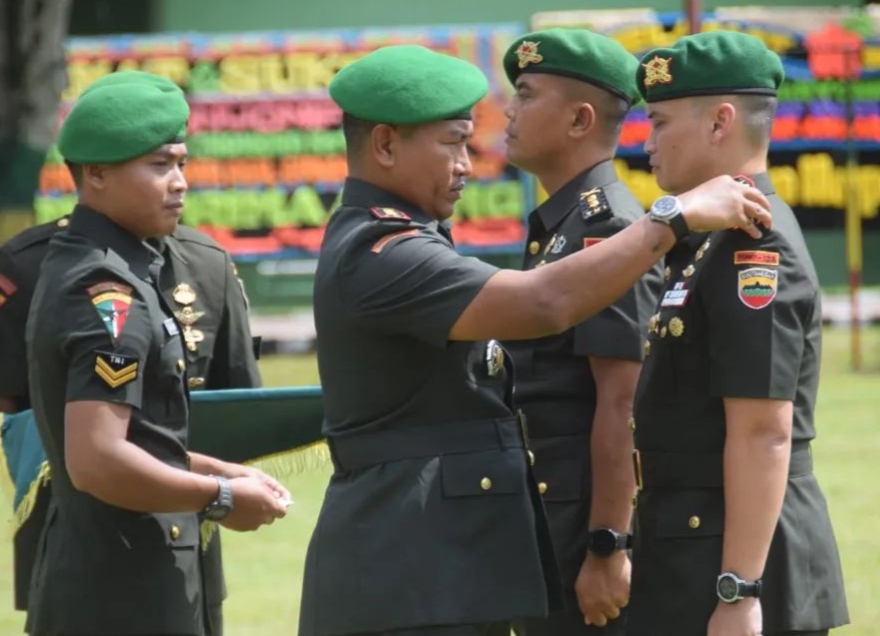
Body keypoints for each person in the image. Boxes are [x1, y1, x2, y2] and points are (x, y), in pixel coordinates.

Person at [299, 44, 772, 636]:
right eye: (452, 144)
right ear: (387, 145)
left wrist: (608, 540)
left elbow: (617, 399)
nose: (468, 164)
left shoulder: (412, 240)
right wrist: (674, 217)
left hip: (439, 569)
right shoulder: (382, 253)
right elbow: (544, 303)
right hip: (409, 575)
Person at [23, 72, 289, 636]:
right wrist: (219, 496)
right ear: (95, 174)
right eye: (158, 165)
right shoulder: (105, 289)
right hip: (121, 592)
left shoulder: (109, 267)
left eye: (182, 164)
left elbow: (139, 442)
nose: (179, 183)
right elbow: (98, 460)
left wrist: (219, 470)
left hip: (127, 577)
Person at [627, 30, 849, 636]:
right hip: (693, 545)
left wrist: (739, 590)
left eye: (659, 122)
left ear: (721, 122)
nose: (647, 144)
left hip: (735, 563)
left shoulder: (757, 246)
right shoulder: (708, 239)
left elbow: (763, 432)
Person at [499, 29, 662, 636]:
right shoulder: (563, 224)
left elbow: (622, 402)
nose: (507, 111)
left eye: (525, 94)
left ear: (579, 120)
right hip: (551, 519)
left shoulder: (607, 230)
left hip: (582, 534)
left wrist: (607, 546)